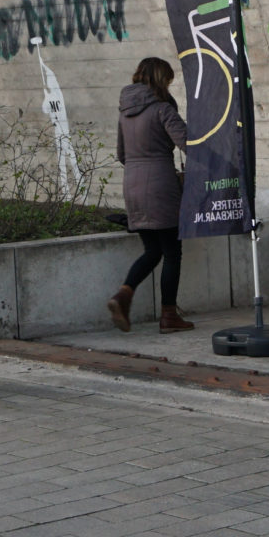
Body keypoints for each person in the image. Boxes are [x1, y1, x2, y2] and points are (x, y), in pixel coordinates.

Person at [108, 56, 192, 333]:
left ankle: (123, 293)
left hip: (132, 186)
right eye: (168, 80)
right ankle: (169, 315)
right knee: (172, 252)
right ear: (161, 79)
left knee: (152, 250)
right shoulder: (162, 109)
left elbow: (122, 154)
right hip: (160, 186)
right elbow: (187, 143)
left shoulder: (125, 110)